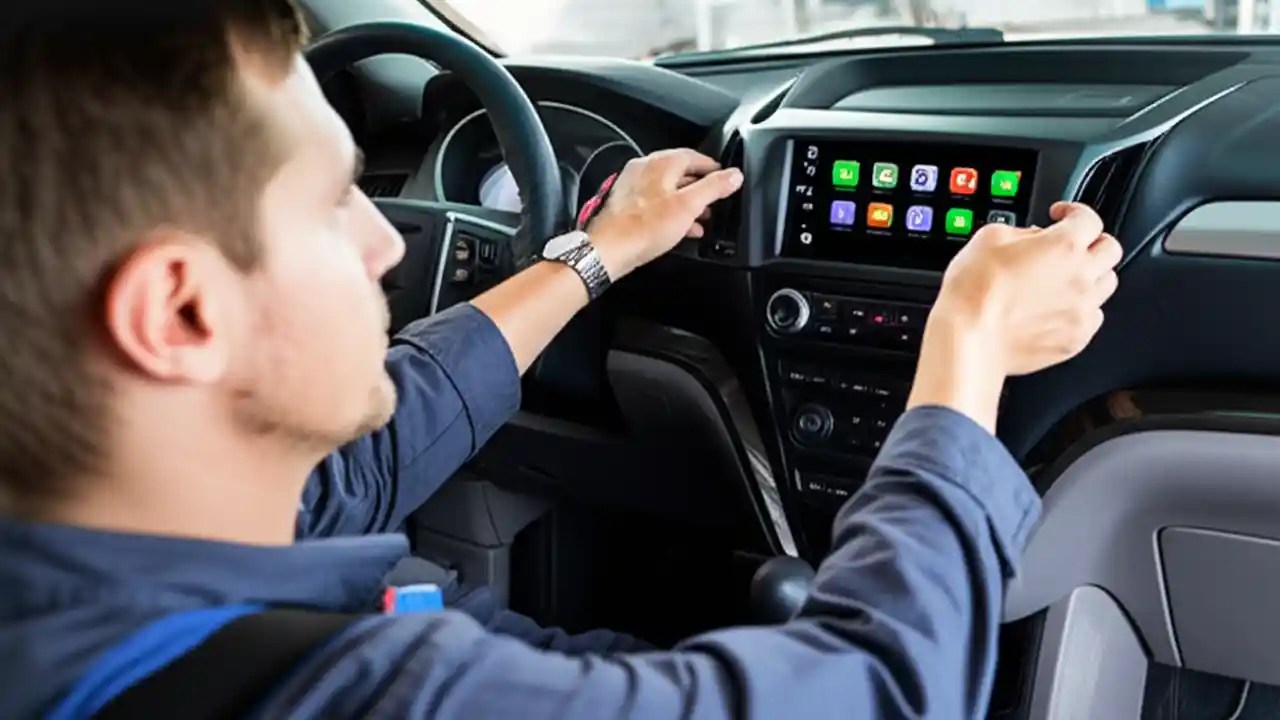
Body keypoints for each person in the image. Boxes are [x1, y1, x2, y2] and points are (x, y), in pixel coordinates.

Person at [0, 2, 1122, 718]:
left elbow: (362, 470)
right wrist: (967, 348)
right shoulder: (357, 696)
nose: (386, 242)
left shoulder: (94, 582)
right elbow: (880, 692)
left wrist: (598, 253)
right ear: (180, 311)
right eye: (332, 200)